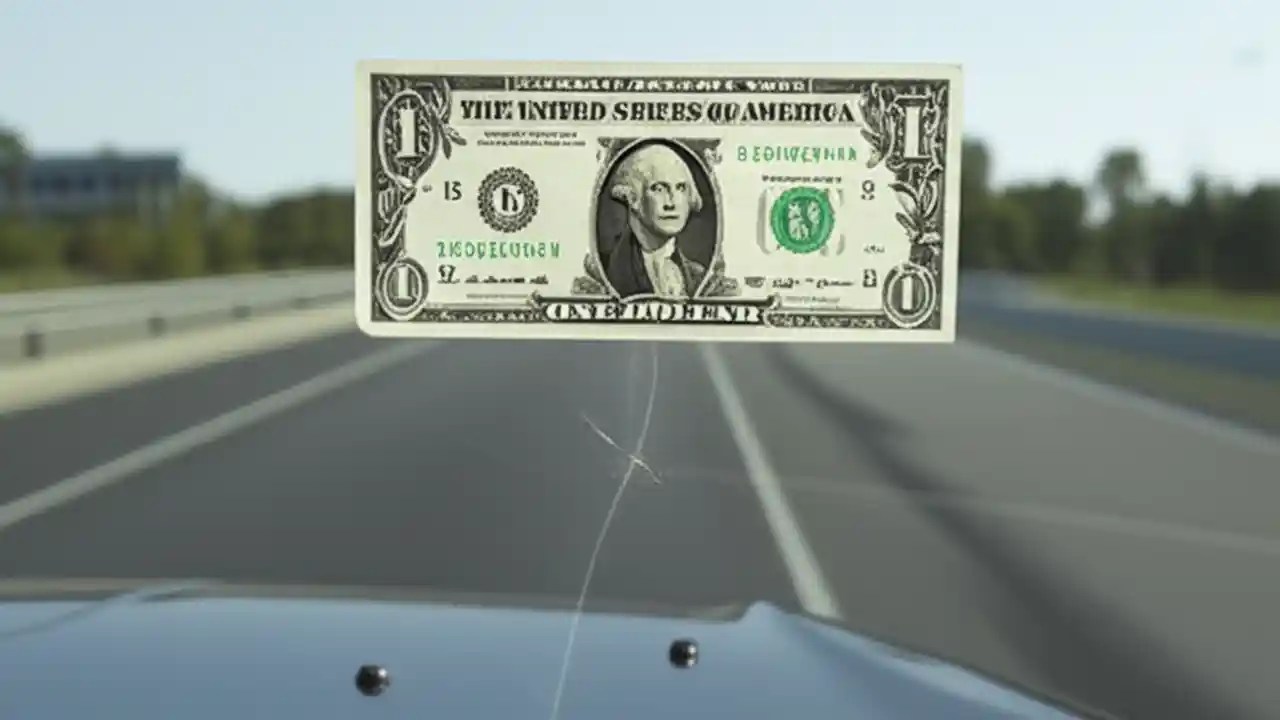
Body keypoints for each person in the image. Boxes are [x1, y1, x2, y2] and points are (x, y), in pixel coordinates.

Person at [603, 142, 707, 299]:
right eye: (659, 189)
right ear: (632, 198)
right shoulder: (607, 272)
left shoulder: (698, 276)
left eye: (680, 188)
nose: (671, 203)